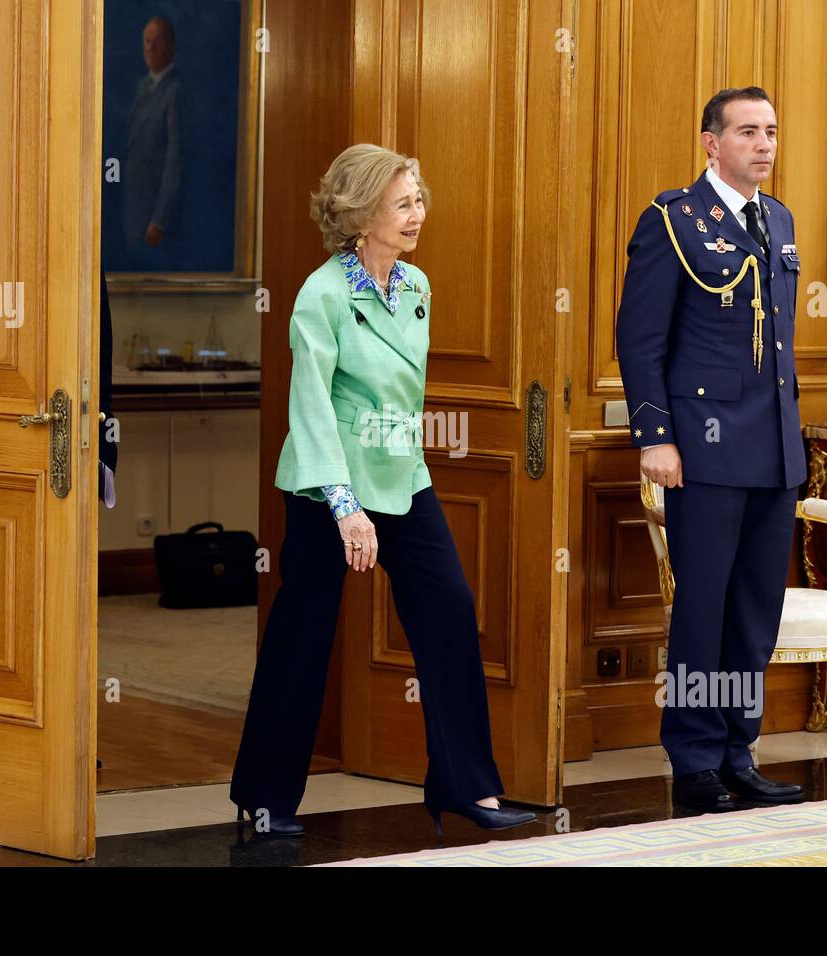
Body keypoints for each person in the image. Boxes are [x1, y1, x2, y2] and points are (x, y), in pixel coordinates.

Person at [229, 144, 536, 837]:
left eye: (418, 200)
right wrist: (346, 507)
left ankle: (466, 788)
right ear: (362, 213)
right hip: (326, 483)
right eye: (403, 203)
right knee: (302, 636)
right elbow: (309, 403)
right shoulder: (321, 294)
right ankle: (266, 797)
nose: (417, 214)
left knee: (451, 609)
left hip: (402, 473)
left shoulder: (418, 286)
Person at [616, 87, 807, 814]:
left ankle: (737, 750)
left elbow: (781, 346)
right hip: (703, 452)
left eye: (772, 132)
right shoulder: (672, 221)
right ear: (711, 143)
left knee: (755, 612)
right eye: (749, 132)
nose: (764, 144)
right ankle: (694, 758)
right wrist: (655, 436)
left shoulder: (779, 220)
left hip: (774, 454)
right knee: (702, 610)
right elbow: (640, 339)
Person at [123, 16, 184, 268]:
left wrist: (159, 219)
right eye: (146, 42)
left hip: (153, 218)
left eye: (156, 42)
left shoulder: (176, 92)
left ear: (170, 46)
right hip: (132, 211)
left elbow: (176, 160)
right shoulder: (142, 86)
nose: (150, 48)